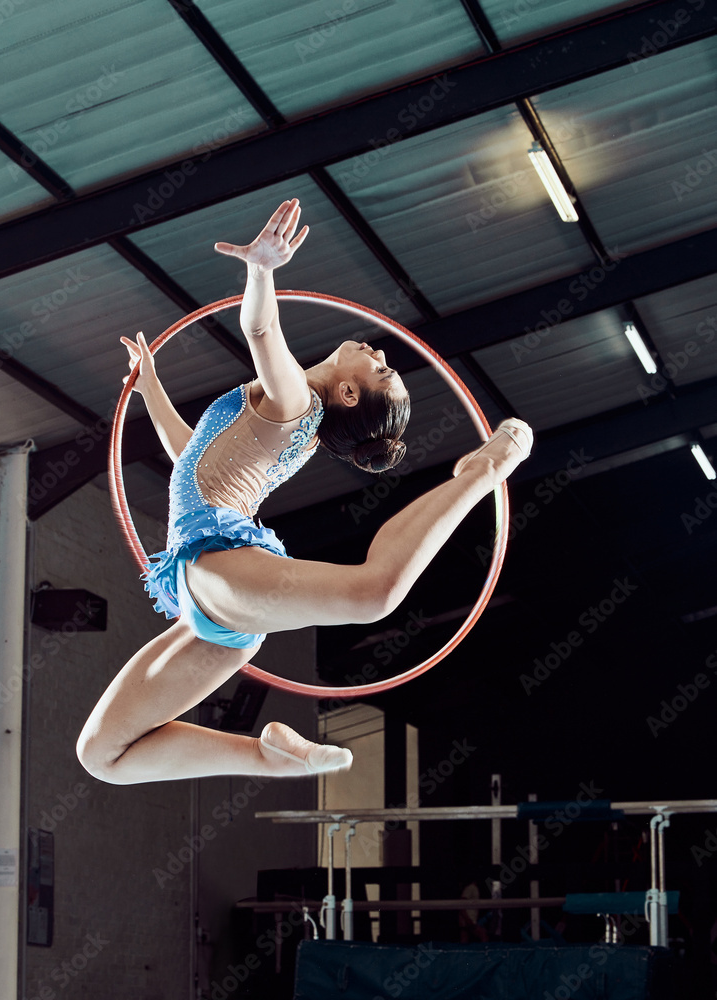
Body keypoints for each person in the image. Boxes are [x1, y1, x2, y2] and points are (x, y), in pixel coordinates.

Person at [77, 200, 532, 786]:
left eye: (383, 373)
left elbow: (260, 328)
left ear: (346, 392)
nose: (382, 354)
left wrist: (261, 271)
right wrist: (151, 388)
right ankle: (269, 758)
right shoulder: (293, 428)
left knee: (373, 595)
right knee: (102, 753)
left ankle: (480, 471)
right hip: (221, 602)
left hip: (220, 571)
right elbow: (190, 455)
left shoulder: (297, 405)